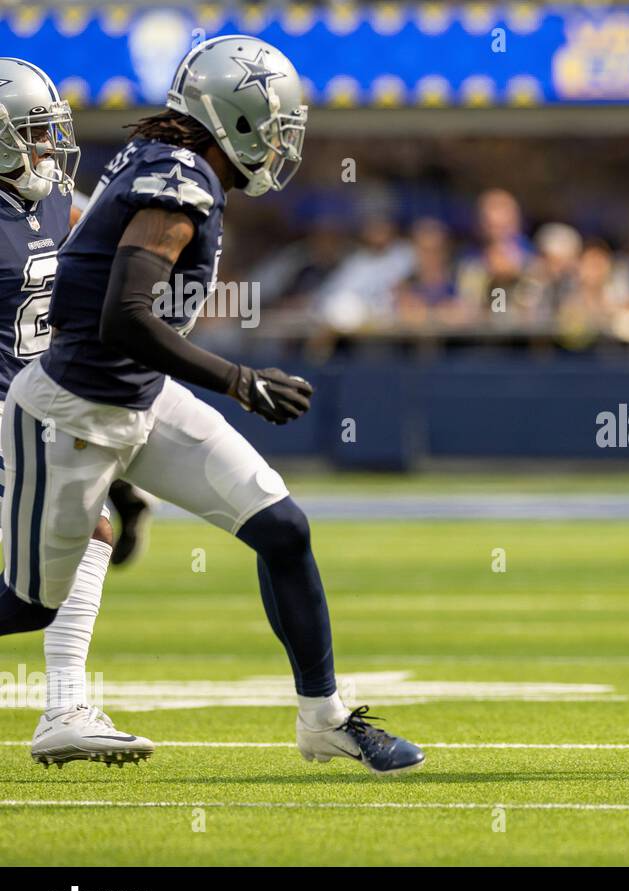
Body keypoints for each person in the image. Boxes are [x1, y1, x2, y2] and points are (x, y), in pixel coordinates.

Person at [0, 37, 423, 775]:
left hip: (136, 394)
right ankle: (64, 707)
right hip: (71, 410)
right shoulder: (178, 179)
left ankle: (322, 719)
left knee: (283, 527)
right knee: (28, 605)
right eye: (277, 120)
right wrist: (237, 379)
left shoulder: (177, 164)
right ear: (238, 114)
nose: (284, 137)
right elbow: (123, 315)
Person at [0, 57, 154, 766]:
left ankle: (63, 707)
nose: (47, 147)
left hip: (36, 409)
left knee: (82, 530)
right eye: (32, 132)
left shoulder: (57, 196)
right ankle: (63, 708)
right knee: (78, 532)